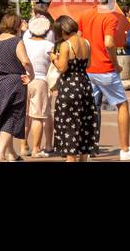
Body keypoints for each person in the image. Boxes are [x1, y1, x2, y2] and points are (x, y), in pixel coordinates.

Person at [78, 0, 130, 160]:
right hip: (105, 68)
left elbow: (79, 39)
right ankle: (125, 149)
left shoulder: (84, 15)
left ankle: (87, 147)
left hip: (88, 68)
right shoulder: (110, 17)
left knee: (90, 107)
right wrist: (115, 64)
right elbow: (109, 43)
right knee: (122, 105)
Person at [0, 12, 34, 162]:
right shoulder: (17, 41)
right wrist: (31, 75)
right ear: (16, 25)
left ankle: (12, 154)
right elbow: (25, 61)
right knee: (11, 118)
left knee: (2, 117)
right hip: (13, 83)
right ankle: (0, 155)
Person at [51, 15, 98, 162]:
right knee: (84, 122)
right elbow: (88, 65)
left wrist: (54, 58)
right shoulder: (86, 42)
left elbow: (62, 67)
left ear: (62, 30)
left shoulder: (66, 45)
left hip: (70, 86)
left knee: (69, 123)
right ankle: (83, 157)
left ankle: (71, 158)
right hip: (84, 84)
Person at [22, 14, 55, 157]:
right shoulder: (49, 46)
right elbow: (55, 65)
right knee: (38, 116)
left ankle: (23, 145)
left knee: (25, 115)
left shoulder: (23, 43)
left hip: (24, 79)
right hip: (41, 81)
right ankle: (36, 148)